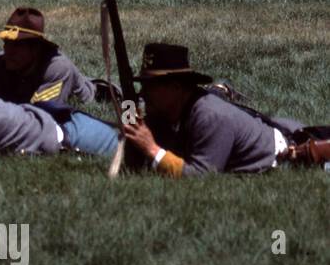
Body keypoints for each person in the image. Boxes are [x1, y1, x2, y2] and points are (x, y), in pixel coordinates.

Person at [120, 44, 285, 176]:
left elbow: (202, 177)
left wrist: (151, 148)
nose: (143, 93)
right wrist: (132, 129)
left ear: (176, 88)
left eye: (151, 87)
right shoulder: (165, 114)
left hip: (279, 159)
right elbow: (135, 168)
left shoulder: (210, 116)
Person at [0, 7, 96, 105]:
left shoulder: (57, 68)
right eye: (6, 42)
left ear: (36, 48)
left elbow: (41, 116)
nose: (8, 50)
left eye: (17, 45)